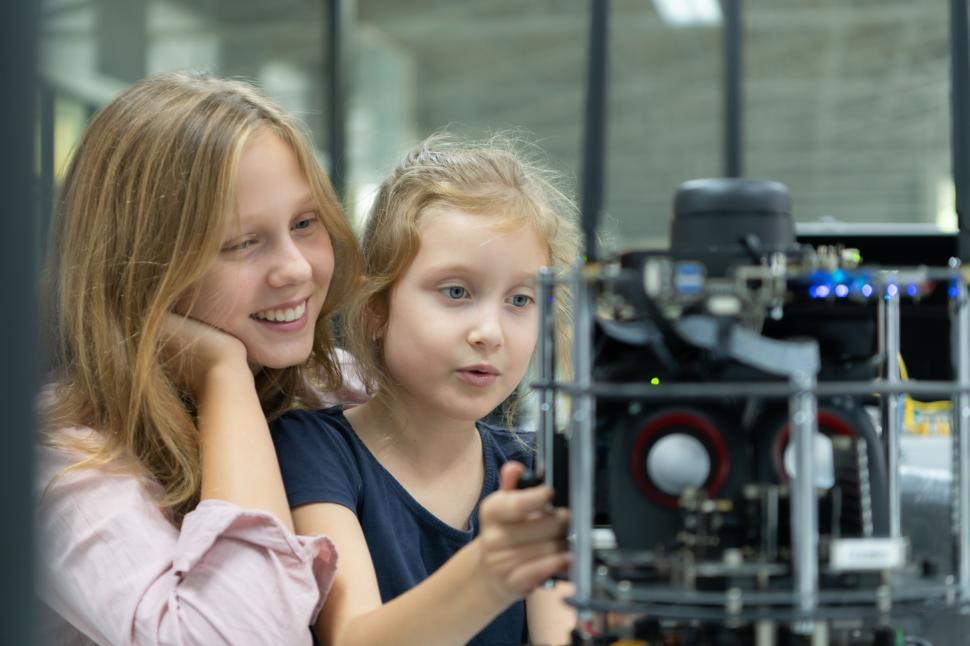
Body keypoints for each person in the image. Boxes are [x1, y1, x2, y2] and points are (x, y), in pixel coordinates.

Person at [36, 71, 361, 645]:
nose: (298, 269)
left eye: (305, 224)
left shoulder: (338, 390)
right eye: (243, 242)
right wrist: (221, 376)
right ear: (139, 269)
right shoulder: (58, 466)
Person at [271, 134, 582, 645]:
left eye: (520, 299)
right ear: (375, 308)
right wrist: (491, 572)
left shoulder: (535, 470)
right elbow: (351, 637)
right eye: (456, 292)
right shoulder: (312, 450)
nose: (491, 331)